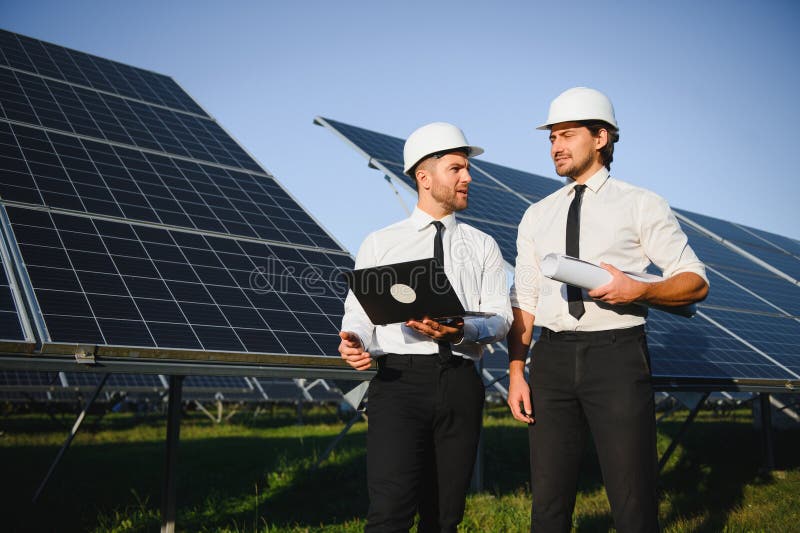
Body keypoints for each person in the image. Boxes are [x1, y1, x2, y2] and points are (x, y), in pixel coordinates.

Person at [506, 87, 709, 532]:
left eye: (567, 135)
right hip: (551, 360)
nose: (556, 146)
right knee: (548, 504)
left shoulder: (640, 203)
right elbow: (525, 297)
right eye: (551, 138)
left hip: (616, 356)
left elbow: (695, 282)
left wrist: (636, 289)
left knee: (632, 500)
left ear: (601, 137)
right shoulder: (536, 215)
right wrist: (517, 369)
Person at [339, 122, 512, 532]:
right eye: (457, 168)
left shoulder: (484, 244)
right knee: (390, 511)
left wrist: (460, 333)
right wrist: (355, 341)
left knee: (445, 515)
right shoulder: (381, 242)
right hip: (398, 382)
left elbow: (500, 318)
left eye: (466, 169)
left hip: (460, 382)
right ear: (424, 177)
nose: (468, 177)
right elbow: (359, 312)